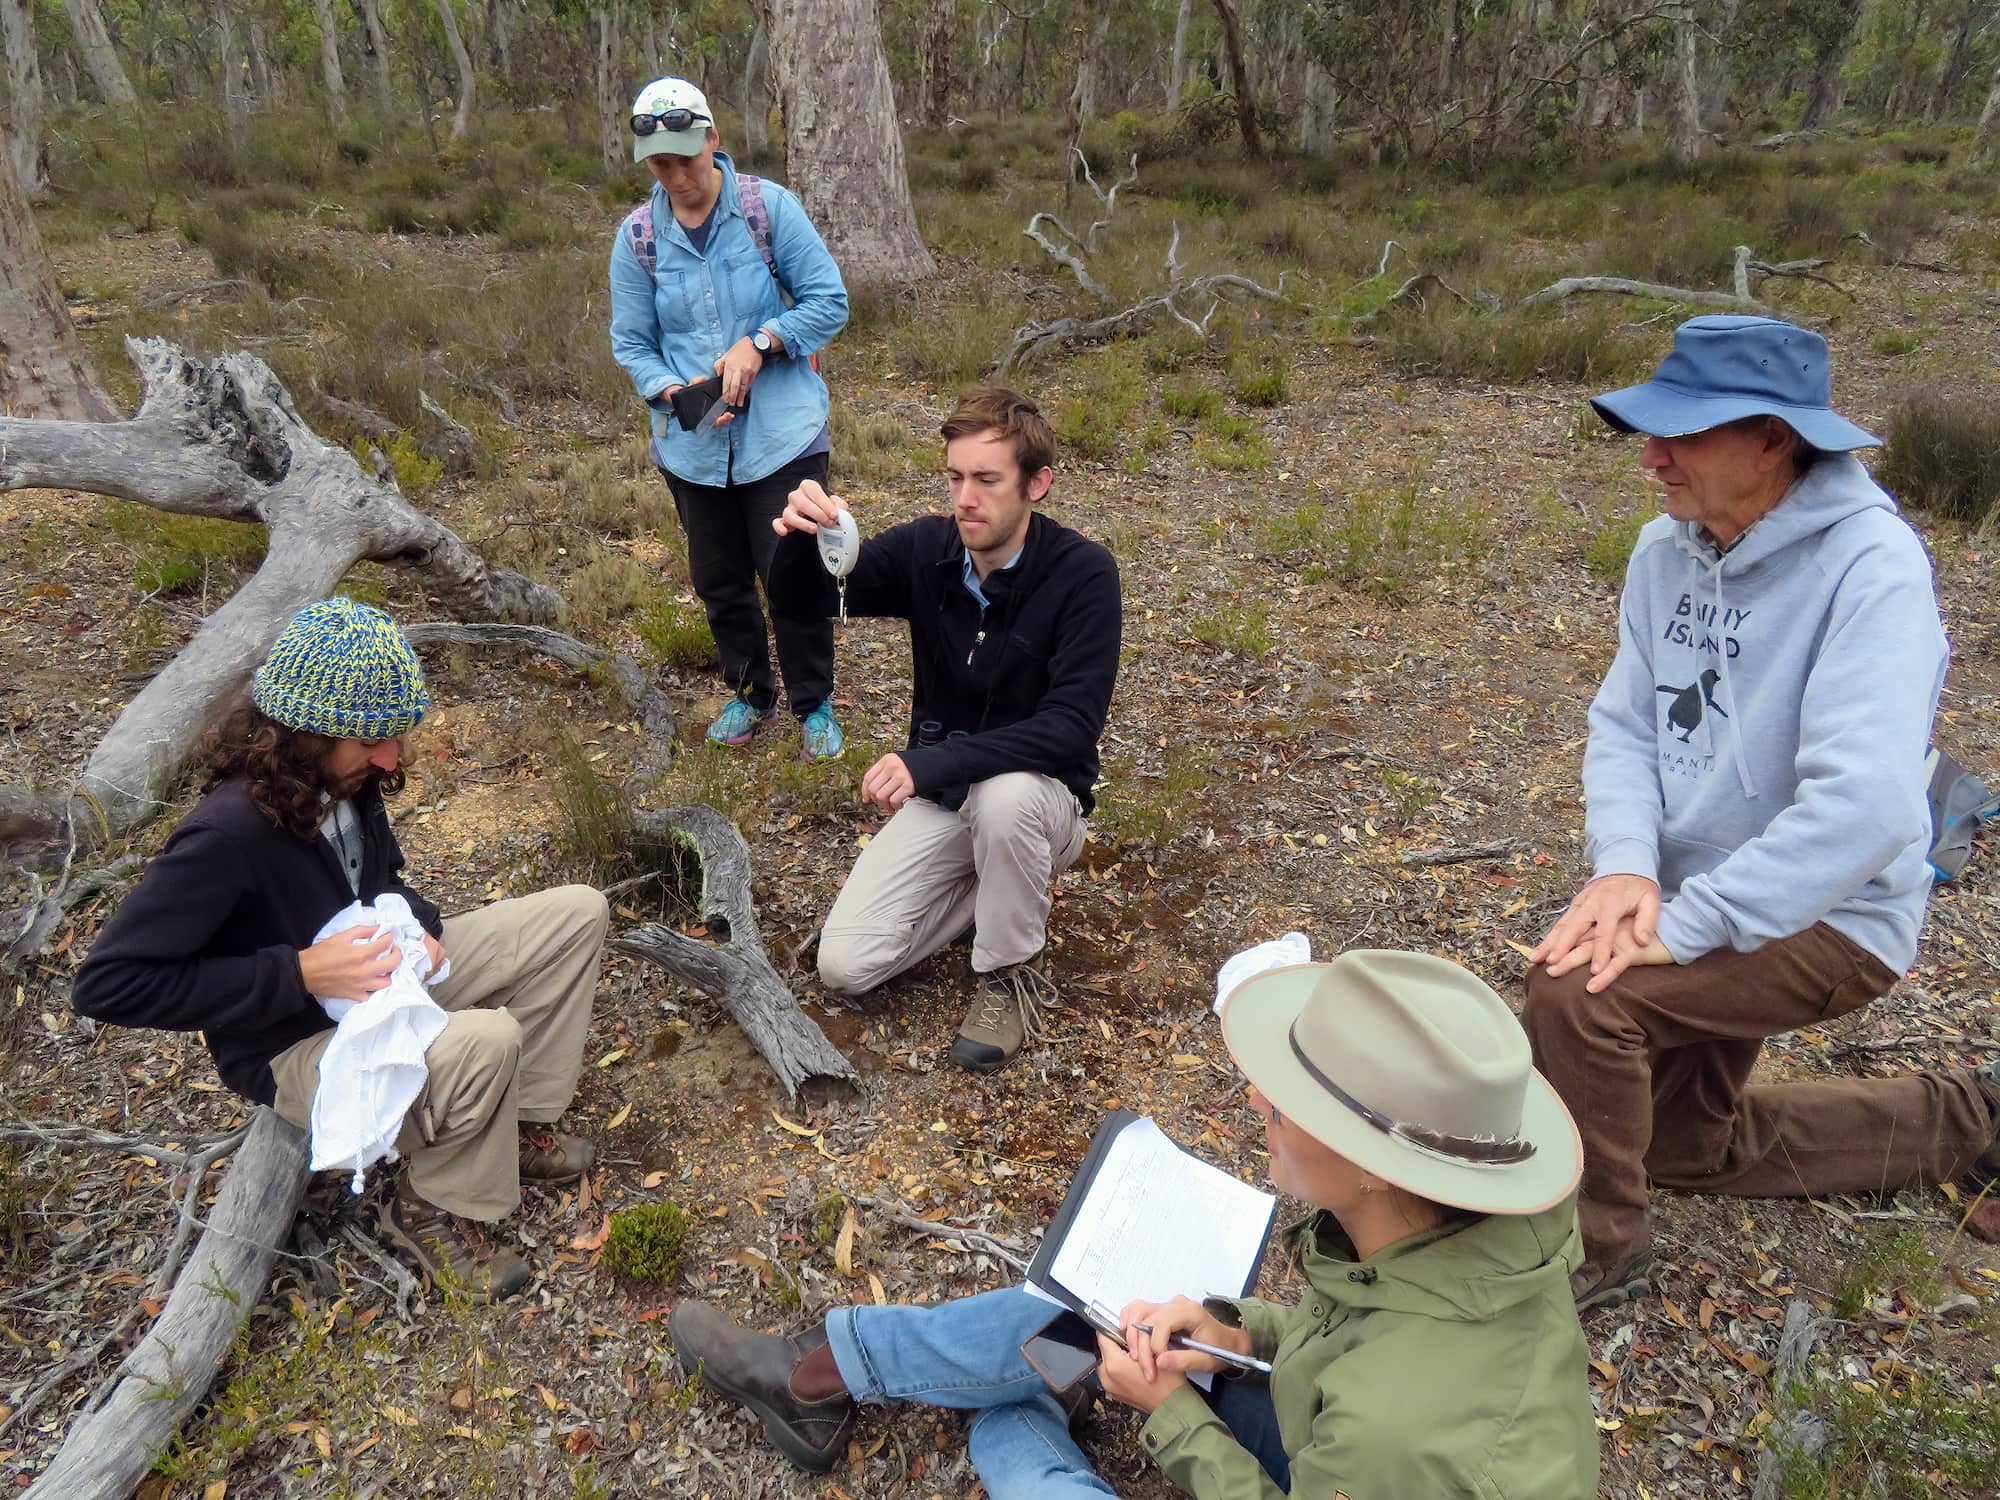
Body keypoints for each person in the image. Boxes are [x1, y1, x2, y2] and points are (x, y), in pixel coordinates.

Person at [667, 950, 1600, 1498]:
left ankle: (1025, 1405)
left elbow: (1380, 1412)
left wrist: (1173, 1420)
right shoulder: (1463, 1239)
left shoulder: (1407, 1421)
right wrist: (1233, 1335)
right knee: (1084, 1306)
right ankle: (824, 1375)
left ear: (1372, 1161)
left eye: (1286, 1098)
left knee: (1004, 1437)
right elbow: (1367, 1334)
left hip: (1349, 1469)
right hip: (1342, 1454)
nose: (1254, 1099)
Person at [1523, 315, 2000, 1309]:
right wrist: (1625, 869)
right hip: (1707, 885)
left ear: (1773, 438)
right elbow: (1623, 726)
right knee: (1686, 1148)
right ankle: (1972, 1119)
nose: (1648, 456)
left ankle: (1591, 1252)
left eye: (1681, 434)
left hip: (1834, 912)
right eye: (1648, 431)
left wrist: (1684, 929)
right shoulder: (1665, 549)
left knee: (1581, 999)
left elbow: (1866, 810)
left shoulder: (1870, 569)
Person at [72, 599, 610, 1302]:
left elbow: (383, 880)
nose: (390, 758)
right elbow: (107, 983)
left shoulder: (344, 784)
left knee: (577, 913)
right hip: (293, 1042)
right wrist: (295, 973)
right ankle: (429, 1204)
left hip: (379, 985)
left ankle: (517, 1123)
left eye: (393, 736)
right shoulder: (225, 836)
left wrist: (418, 926)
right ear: (303, 736)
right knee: (488, 1039)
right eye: (371, 741)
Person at [767, 386, 1121, 1073]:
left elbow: (1070, 730)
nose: (965, 499)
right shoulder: (927, 550)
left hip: (1040, 803)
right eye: (955, 477)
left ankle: (1010, 969)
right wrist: (800, 538)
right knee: (845, 966)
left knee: (1008, 797)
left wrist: (931, 763)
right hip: (951, 800)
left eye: (987, 480)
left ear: (1036, 484)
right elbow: (802, 601)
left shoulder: (1083, 576)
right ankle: (996, 892)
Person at [608, 75, 851, 758]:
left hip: (783, 437)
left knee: (792, 574)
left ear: (713, 139)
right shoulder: (637, 238)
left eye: (687, 157)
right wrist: (670, 389)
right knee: (720, 581)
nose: (678, 176)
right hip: (692, 447)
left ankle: (816, 704)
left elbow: (829, 302)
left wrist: (763, 341)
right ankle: (750, 695)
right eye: (661, 164)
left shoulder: (768, 210)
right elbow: (631, 341)